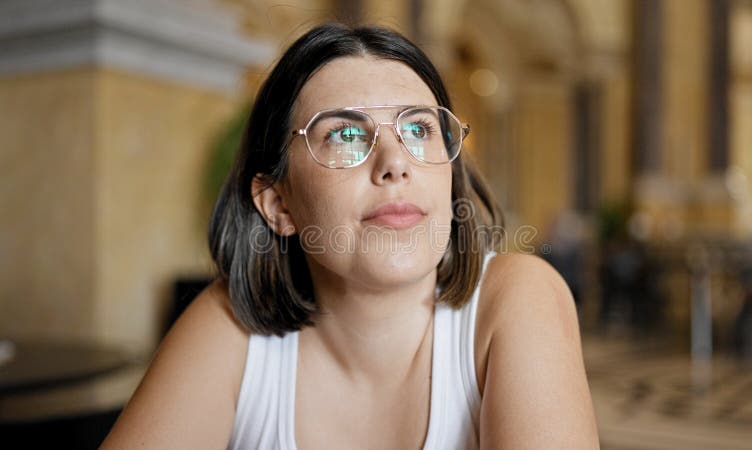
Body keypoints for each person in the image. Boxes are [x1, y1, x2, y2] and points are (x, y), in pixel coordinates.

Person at [100, 23, 599, 449]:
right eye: (344, 134)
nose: (395, 164)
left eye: (419, 129)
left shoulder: (519, 297)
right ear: (279, 205)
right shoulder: (228, 323)